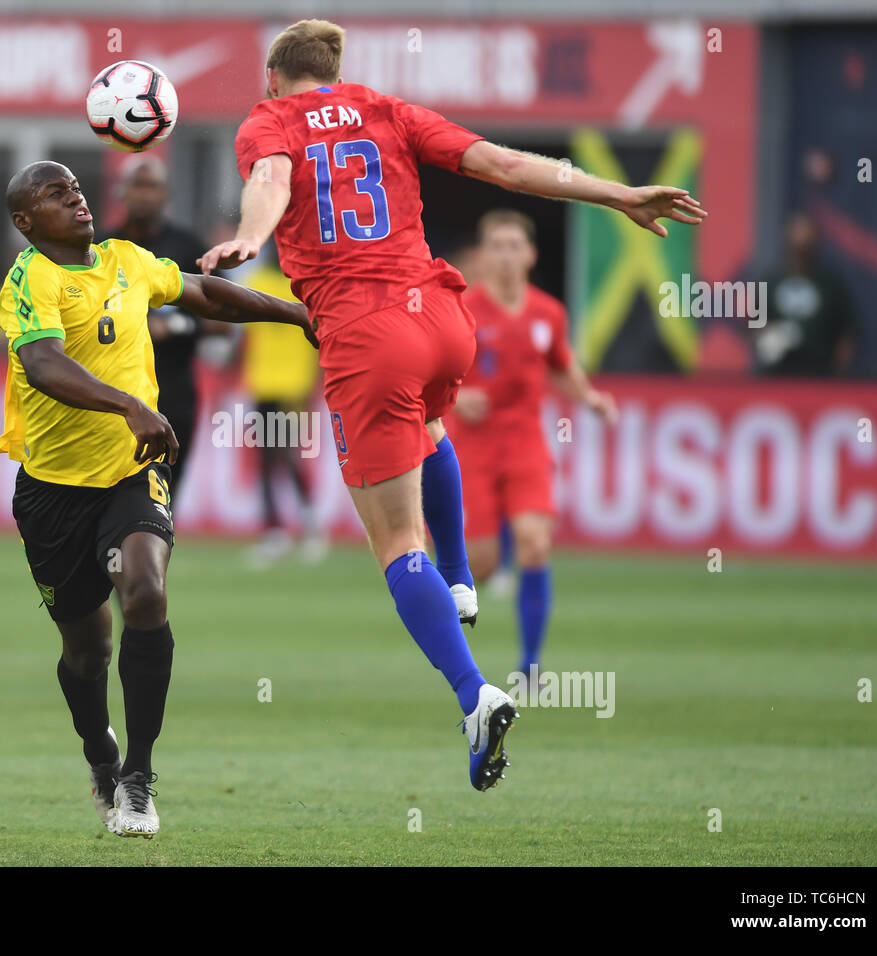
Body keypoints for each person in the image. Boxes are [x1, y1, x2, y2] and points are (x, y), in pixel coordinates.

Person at [199, 18, 704, 791]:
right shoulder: (387, 109)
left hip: (367, 333)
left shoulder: (269, 120)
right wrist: (618, 193)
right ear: (334, 70)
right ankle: (462, 573)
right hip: (442, 319)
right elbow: (504, 165)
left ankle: (476, 696)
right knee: (429, 424)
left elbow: (271, 181)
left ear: (275, 75)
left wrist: (247, 239)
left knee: (396, 546)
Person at [0, 161, 313, 838]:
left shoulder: (129, 261)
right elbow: (44, 364)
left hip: (132, 472)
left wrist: (295, 314)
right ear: (26, 223)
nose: (73, 196)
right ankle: (101, 757)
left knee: (144, 593)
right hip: (51, 493)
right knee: (86, 649)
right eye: (53, 194)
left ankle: (138, 777)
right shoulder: (30, 280)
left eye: (74, 186)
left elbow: (205, 294)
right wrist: (130, 403)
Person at [450, 210, 618, 684]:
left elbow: (562, 365)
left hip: (524, 441)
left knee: (535, 544)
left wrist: (591, 399)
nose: (504, 256)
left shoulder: (548, 313)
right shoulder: (463, 309)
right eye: (495, 246)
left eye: (513, 246)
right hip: (474, 447)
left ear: (530, 255)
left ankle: (529, 664)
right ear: (483, 256)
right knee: (479, 565)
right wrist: (457, 397)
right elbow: (433, 370)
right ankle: (453, 641)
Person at [98, 157, 228, 494]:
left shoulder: (189, 249)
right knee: (107, 491)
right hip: (110, 390)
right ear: (121, 193)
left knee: (165, 491)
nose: (144, 195)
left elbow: (225, 319)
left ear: (166, 193)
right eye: (137, 186)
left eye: (152, 187)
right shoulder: (100, 249)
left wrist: (178, 326)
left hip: (173, 389)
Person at [239, 244, 325, 568]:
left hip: (293, 384)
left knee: (287, 455)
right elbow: (245, 333)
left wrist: (312, 381)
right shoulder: (257, 279)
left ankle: (310, 524)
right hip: (262, 382)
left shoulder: (303, 284)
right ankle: (274, 530)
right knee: (265, 456)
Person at [753, 213, 857, 377]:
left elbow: (846, 331)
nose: (800, 251)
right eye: (796, 246)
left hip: (820, 373)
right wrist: (768, 341)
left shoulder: (829, 284)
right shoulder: (771, 283)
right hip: (778, 375)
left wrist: (839, 371)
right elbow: (754, 326)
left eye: (805, 246)